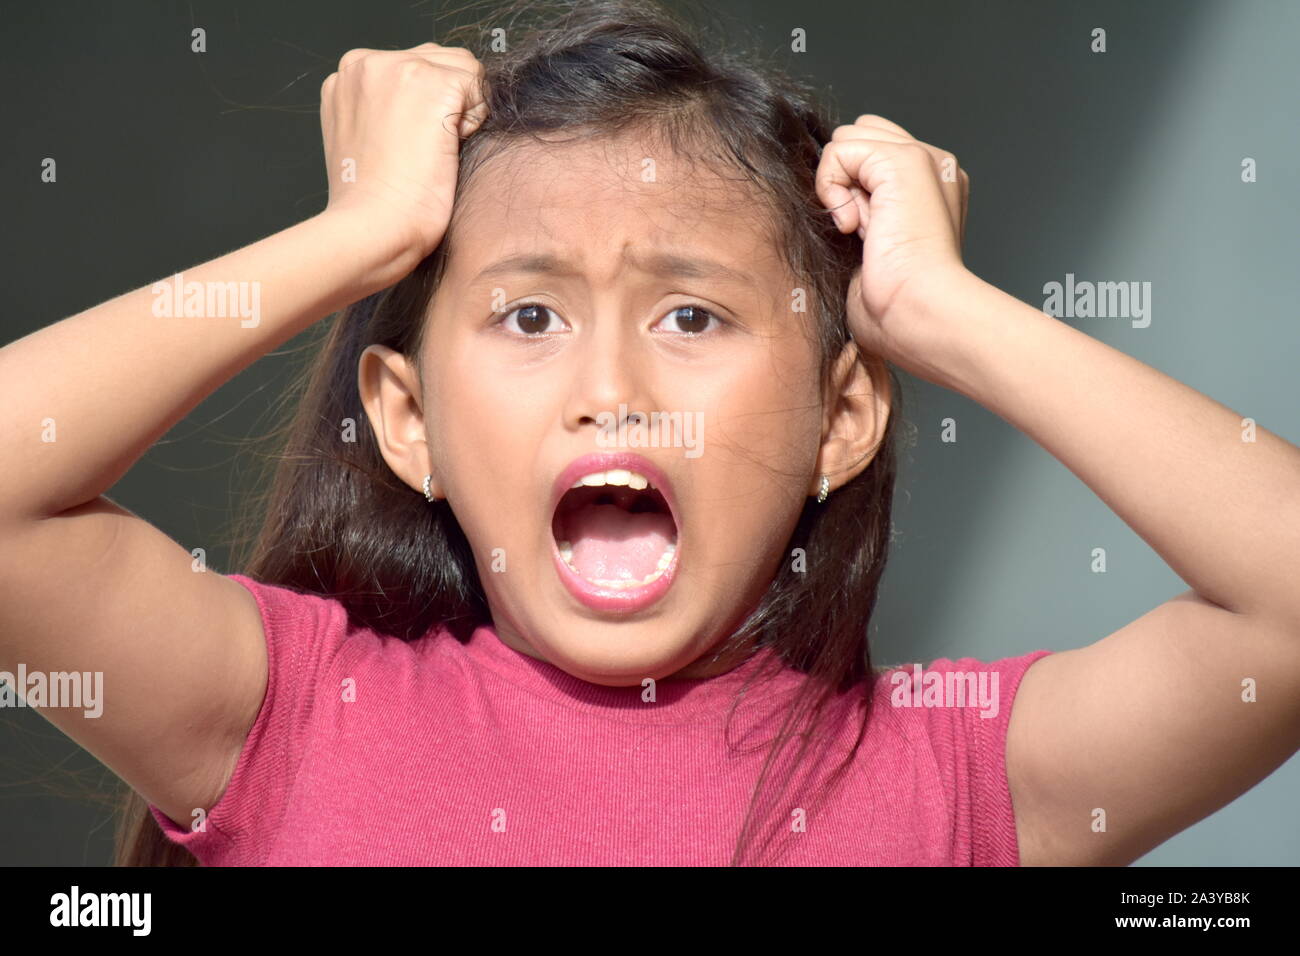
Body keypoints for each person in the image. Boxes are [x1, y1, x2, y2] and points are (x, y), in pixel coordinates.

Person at [2, 0, 1297, 867]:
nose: (610, 385)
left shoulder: (949, 773)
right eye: (527, 318)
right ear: (409, 425)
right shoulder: (285, 716)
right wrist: (356, 241)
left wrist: (941, 311)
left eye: (690, 314)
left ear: (840, 424)